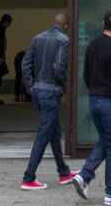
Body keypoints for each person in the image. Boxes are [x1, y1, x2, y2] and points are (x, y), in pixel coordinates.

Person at [72, 10, 111, 206]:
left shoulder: (92, 46)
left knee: (105, 141)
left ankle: (84, 176)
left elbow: (86, 75)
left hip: (95, 101)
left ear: (103, 24)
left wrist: (94, 92)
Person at [19, 12, 79, 191]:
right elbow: (59, 67)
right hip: (51, 93)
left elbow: (25, 64)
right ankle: (28, 177)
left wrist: (31, 87)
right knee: (43, 134)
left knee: (54, 131)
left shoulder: (37, 38)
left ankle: (64, 172)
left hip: (37, 91)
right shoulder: (63, 40)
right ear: (66, 26)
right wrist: (65, 81)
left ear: (52, 23)